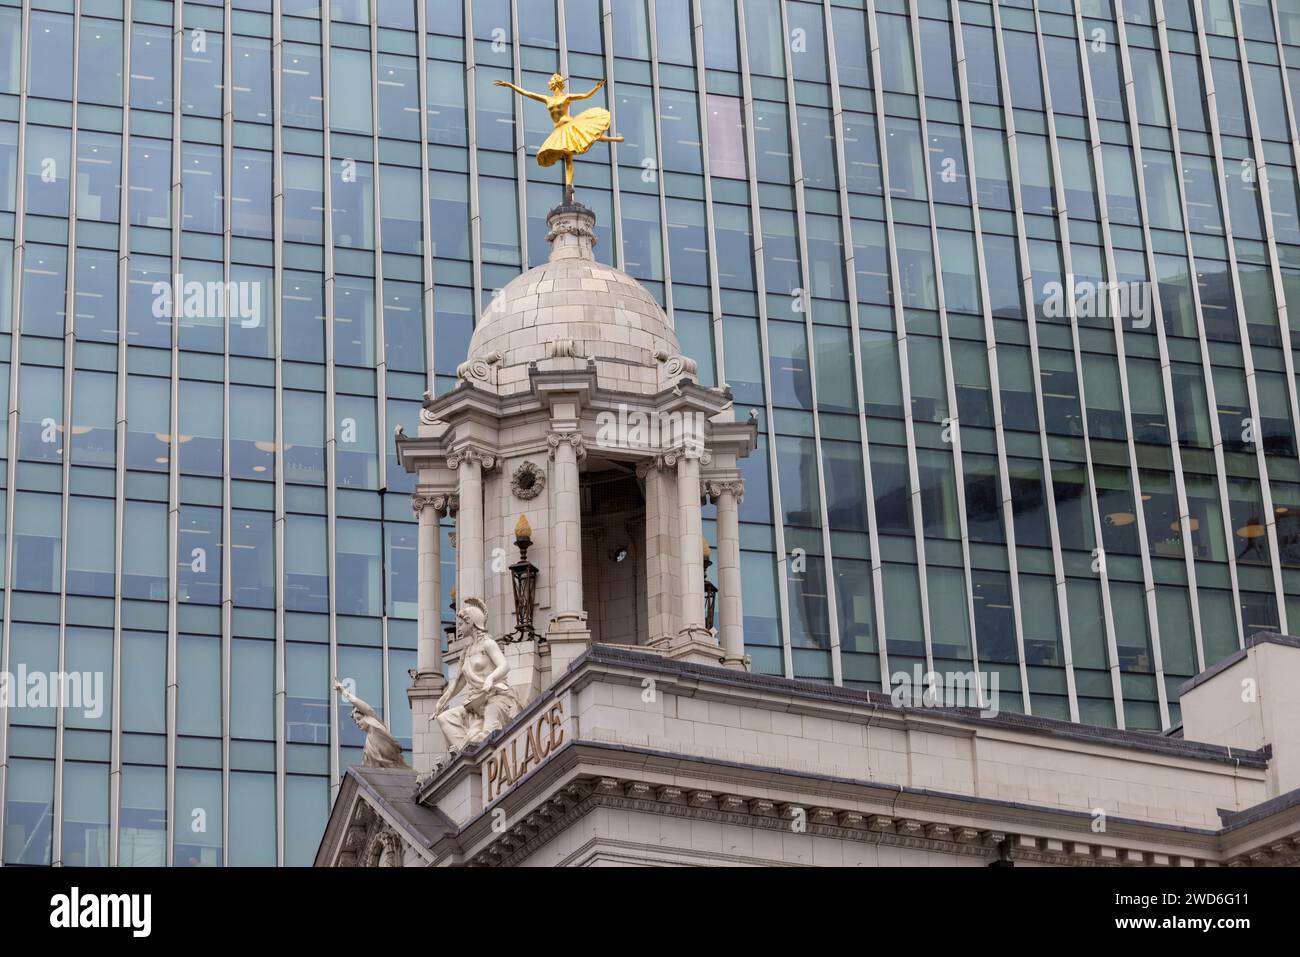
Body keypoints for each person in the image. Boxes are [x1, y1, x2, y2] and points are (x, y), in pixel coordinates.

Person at [493, 74, 623, 198]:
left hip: (569, 124)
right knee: (569, 155)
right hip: (559, 130)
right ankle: (568, 186)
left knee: (586, 137)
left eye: (551, 81)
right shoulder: (547, 99)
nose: (550, 83)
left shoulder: (566, 97)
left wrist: (597, 87)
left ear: (556, 83)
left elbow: (585, 96)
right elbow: (528, 93)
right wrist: (510, 85)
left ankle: (569, 185)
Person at [433, 597, 520, 753]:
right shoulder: (466, 652)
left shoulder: (488, 643)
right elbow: (457, 684)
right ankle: (464, 754)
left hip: (495, 698)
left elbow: (504, 665)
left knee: (486, 739)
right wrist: (442, 701)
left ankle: (471, 753)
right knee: (445, 718)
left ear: (471, 623)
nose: (458, 628)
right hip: (475, 704)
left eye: (460, 624)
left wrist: (490, 678)